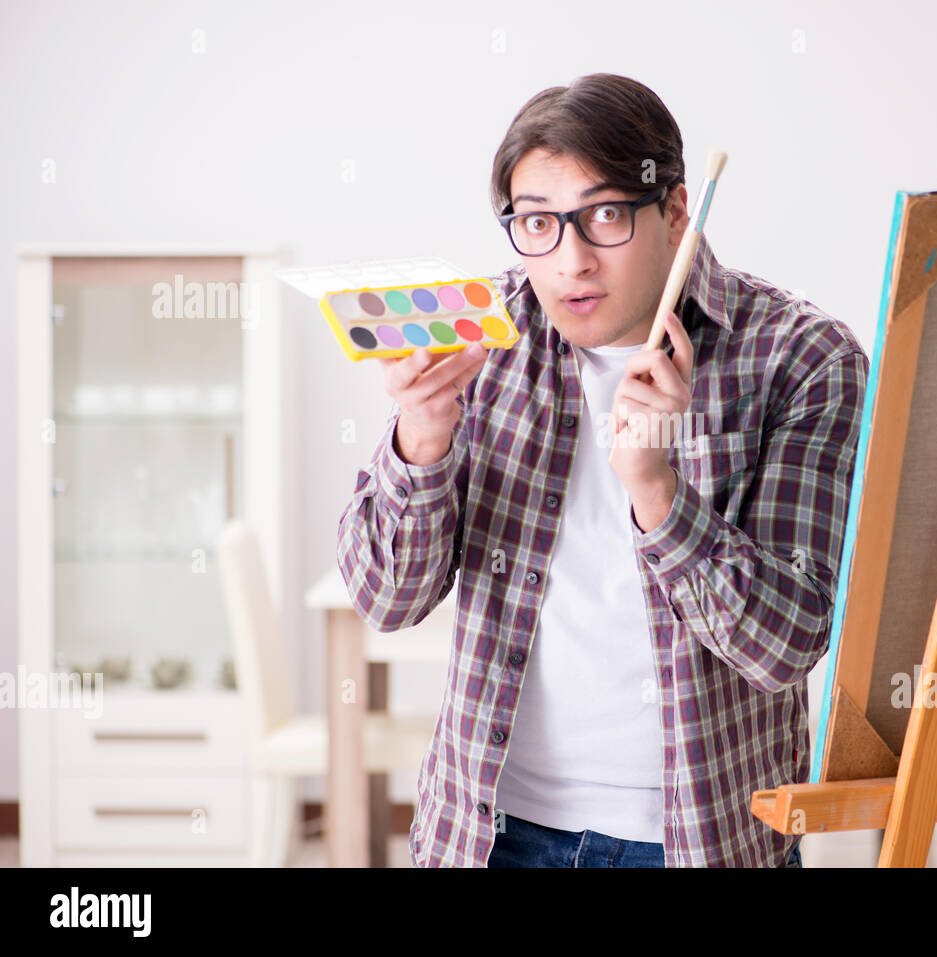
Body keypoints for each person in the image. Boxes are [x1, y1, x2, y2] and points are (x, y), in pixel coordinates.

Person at [337, 73, 867, 867]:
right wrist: (423, 438)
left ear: (677, 211)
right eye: (539, 224)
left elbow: (787, 644)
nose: (572, 260)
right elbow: (385, 597)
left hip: (697, 841)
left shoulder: (802, 356)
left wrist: (657, 491)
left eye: (606, 216)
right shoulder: (483, 331)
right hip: (488, 833)